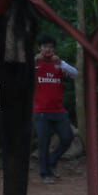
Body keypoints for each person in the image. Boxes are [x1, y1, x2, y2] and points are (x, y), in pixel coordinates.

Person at [33, 35, 78, 183]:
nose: (48, 50)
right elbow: (21, 73)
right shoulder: (36, 64)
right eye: (45, 47)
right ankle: (45, 174)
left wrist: (61, 63)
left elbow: (75, 73)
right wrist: (33, 60)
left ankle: (52, 162)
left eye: (51, 47)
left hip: (58, 111)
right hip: (41, 111)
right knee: (44, 142)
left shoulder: (59, 64)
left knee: (67, 137)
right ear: (40, 48)